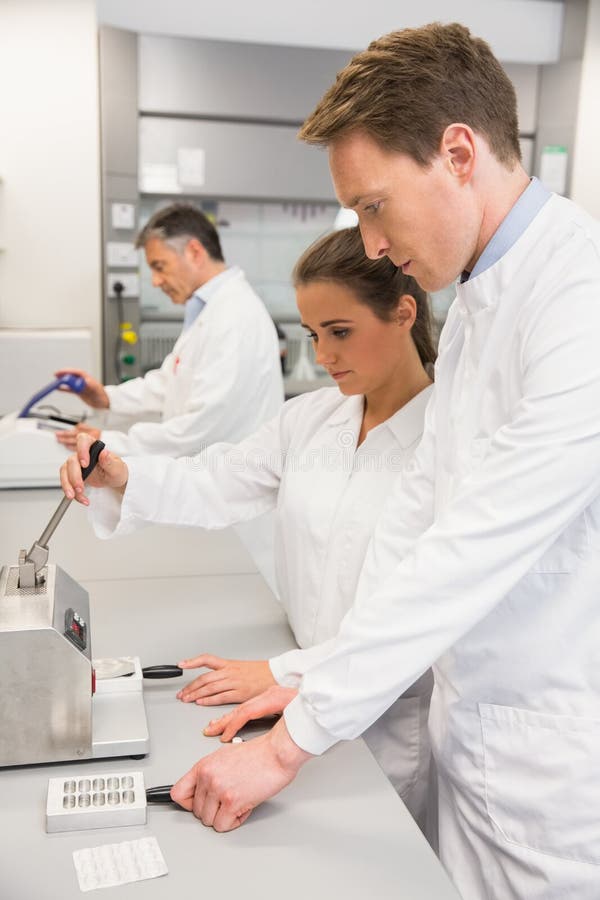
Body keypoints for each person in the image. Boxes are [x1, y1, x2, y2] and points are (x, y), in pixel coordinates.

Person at [97, 21, 600, 900]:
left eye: (373, 205)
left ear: (456, 153)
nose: (369, 244)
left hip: (552, 770)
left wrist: (291, 742)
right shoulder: (480, 298)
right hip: (471, 740)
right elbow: (416, 523)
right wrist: (303, 673)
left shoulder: (577, 297)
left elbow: (474, 544)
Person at [60, 226, 437, 831]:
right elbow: (218, 481)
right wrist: (122, 475)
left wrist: (286, 671)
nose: (323, 357)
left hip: (383, 721)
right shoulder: (312, 418)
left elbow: (423, 614)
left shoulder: (445, 440)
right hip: (287, 698)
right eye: (314, 336)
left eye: (340, 332)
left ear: (402, 313)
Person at [54, 202, 283, 456]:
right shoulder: (210, 310)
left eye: (159, 266)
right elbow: (170, 385)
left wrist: (107, 441)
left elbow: (204, 426)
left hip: (229, 483)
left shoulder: (234, 316)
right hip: (207, 476)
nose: (155, 281)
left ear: (194, 252)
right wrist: (107, 399)